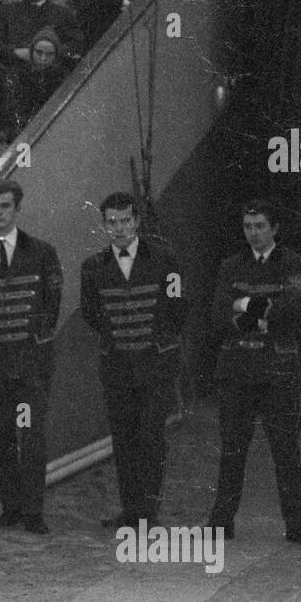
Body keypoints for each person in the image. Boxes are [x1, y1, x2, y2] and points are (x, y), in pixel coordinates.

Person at [0, 180, 63, 532]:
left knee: (31, 436)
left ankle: (33, 511)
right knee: (1, 437)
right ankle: (11, 508)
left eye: (5, 206)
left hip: (31, 366)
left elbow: (51, 307)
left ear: (17, 209)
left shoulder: (42, 253)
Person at [207, 201, 301, 544]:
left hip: (278, 370)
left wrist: (242, 306)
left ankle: (296, 525)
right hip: (237, 369)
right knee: (232, 450)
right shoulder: (231, 265)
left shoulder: (293, 264)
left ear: (274, 228)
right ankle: (221, 522)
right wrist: (257, 310)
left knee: (285, 450)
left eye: (260, 226)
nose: (253, 233)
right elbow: (217, 315)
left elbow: (292, 310)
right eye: (248, 226)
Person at [80, 192, 188, 529]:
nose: (119, 228)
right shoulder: (93, 267)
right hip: (117, 367)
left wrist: (153, 340)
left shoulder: (165, 259)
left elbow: (178, 308)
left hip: (155, 365)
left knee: (151, 437)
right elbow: (91, 314)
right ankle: (131, 510)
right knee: (124, 440)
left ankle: (149, 512)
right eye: (112, 222)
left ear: (137, 221)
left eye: (125, 220)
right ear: (104, 225)